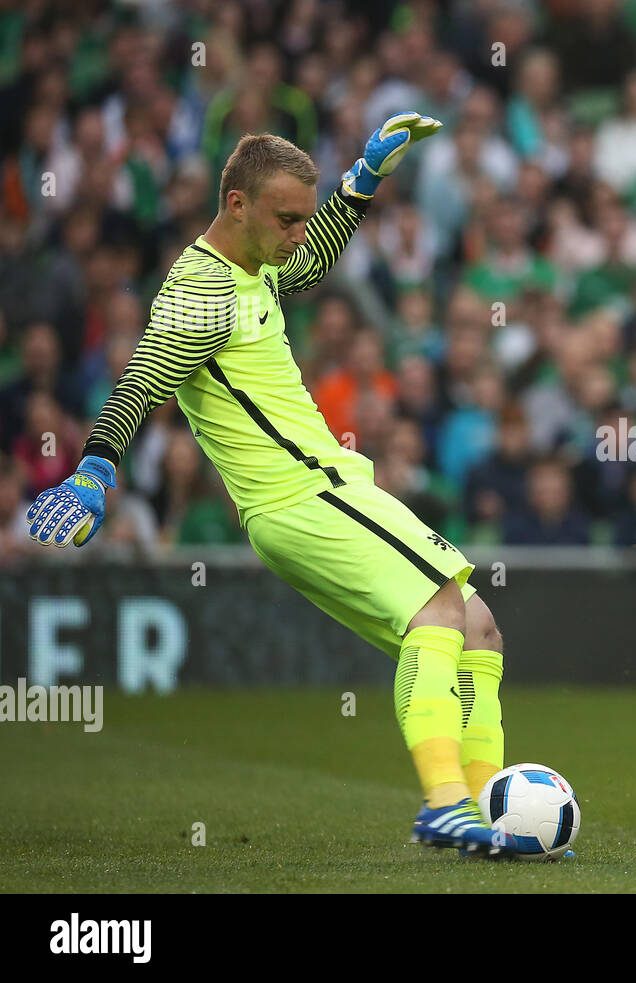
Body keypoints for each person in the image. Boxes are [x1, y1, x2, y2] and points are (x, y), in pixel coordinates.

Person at [24, 114, 517, 857]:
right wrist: (97, 464)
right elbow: (145, 376)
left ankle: (488, 812)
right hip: (303, 494)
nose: (296, 233)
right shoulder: (200, 288)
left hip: (321, 492)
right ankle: (446, 805)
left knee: (479, 627)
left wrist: (362, 180)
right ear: (235, 204)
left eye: (302, 218)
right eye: (285, 218)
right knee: (441, 612)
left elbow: (309, 266)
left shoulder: (255, 264)